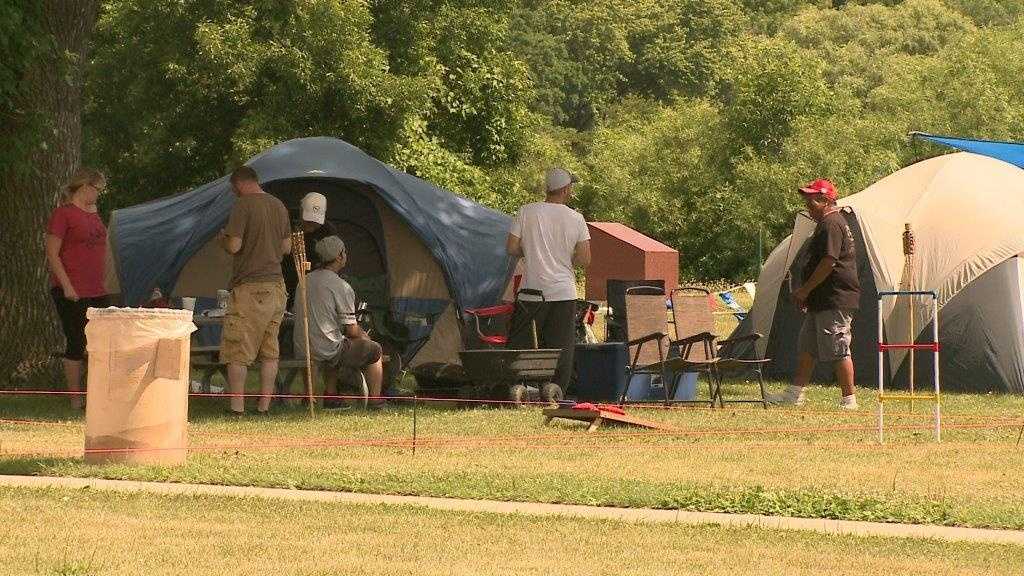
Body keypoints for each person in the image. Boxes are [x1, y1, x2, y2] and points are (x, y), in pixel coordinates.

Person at [767, 178, 860, 410]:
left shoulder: (832, 224)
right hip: (822, 298)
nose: (808, 206)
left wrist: (805, 289)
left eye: (812, 201)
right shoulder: (828, 223)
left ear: (826, 200)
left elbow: (829, 261)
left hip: (835, 297)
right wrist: (809, 295)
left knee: (838, 347)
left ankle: (849, 400)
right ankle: (794, 395)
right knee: (808, 346)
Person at [505, 167, 591, 396]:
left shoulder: (526, 211)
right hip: (563, 291)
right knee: (561, 345)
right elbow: (585, 258)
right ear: (565, 190)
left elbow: (511, 247)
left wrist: (532, 252)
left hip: (531, 290)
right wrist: (564, 259)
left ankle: (521, 384)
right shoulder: (576, 218)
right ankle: (556, 389)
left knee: (523, 341)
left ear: (548, 189)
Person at [220, 166, 291, 415]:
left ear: (238, 184)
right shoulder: (279, 205)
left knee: (238, 349)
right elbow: (286, 248)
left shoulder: (243, 205)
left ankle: (236, 408)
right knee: (270, 351)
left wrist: (223, 239)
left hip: (249, 286)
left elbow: (235, 245)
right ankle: (264, 406)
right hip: (276, 287)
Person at [45, 168, 111, 409]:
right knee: (76, 341)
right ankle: (75, 398)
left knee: (102, 344)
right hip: (72, 289)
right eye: (98, 189)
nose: (99, 194)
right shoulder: (63, 214)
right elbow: (52, 253)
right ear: (85, 187)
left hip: (97, 289)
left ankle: (98, 396)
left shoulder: (94, 214)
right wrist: (67, 286)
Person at [293, 235, 385, 409]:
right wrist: (365, 336)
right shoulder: (341, 286)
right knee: (376, 350)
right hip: (326, 349)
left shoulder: (303, 280)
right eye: (344, 251)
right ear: (339, 256)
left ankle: (331, 394)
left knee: (336, 341)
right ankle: (375, 399)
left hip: (302, 345)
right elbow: (351, 330)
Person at [284, 192, 337, 310]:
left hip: (312, 280)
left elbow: (330, 260)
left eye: (316, 222)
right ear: (301, 211)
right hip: (285, 276)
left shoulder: (327, 231)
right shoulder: (286, 218)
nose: (312, 225)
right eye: (308, 220)